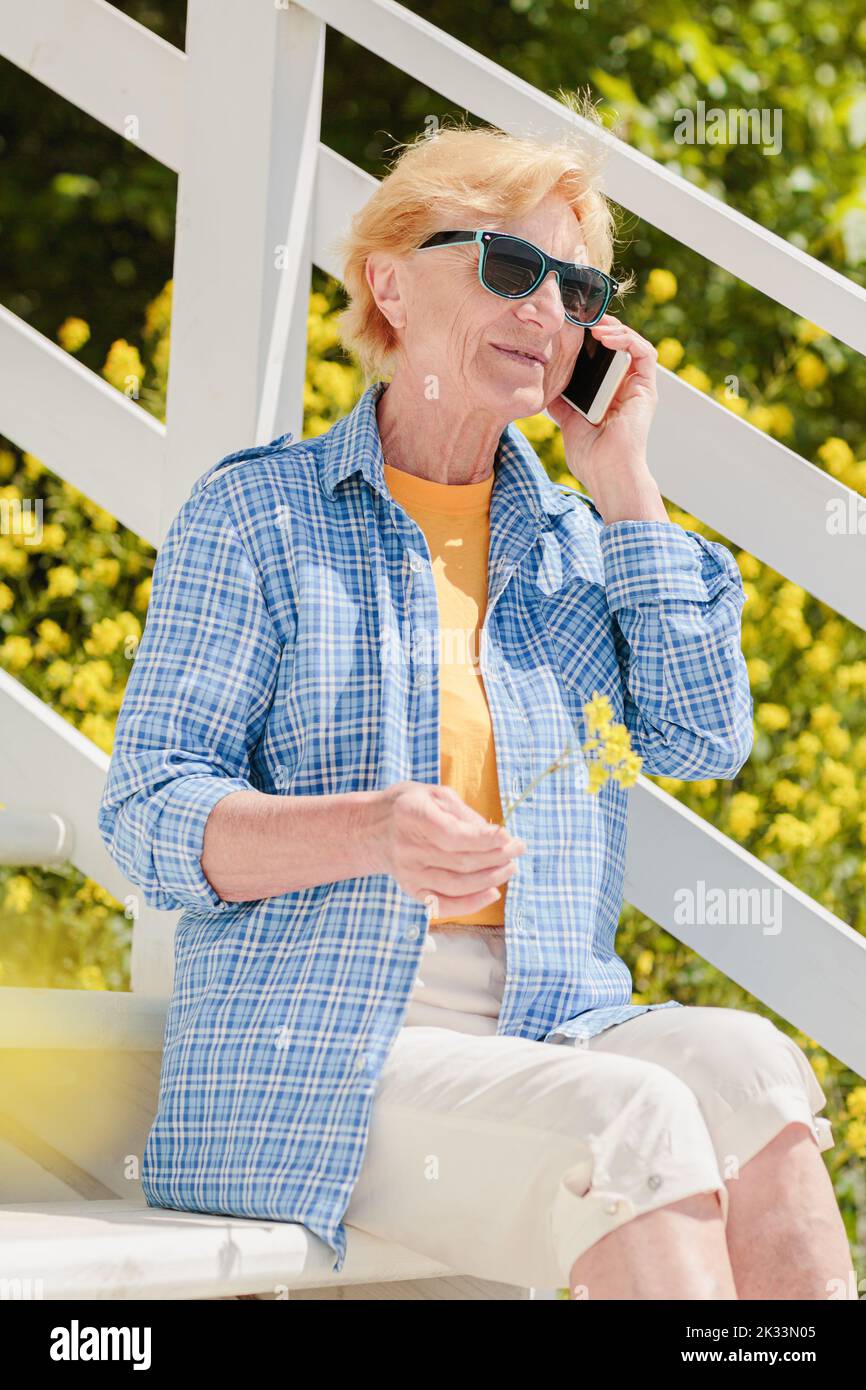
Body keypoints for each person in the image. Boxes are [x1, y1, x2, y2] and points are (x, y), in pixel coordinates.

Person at [98, 111, 850, 1299]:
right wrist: (367, 828)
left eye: (576, 285)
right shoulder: (259, 517)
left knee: (749, 1069)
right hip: (325, 1058)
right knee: (632, 1116)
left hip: (549, 1031)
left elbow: (703, 738)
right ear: (389, 282)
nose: (545, 308)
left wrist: (624, 485)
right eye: (510, 266)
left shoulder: (570, 541)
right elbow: (146, 812)